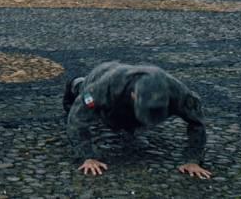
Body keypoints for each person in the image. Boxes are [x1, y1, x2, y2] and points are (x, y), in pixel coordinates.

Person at [63, 61, 211, 179]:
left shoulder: (180, 93)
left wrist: (193, 160)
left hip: (125, 93)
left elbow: (197, 122)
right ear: (134, 96)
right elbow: (77, 118)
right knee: (83, 91)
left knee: (126, 124)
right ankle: (76, 83)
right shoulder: (106, 86)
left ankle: (128, 122)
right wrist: (87, 156)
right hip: (104, 73)